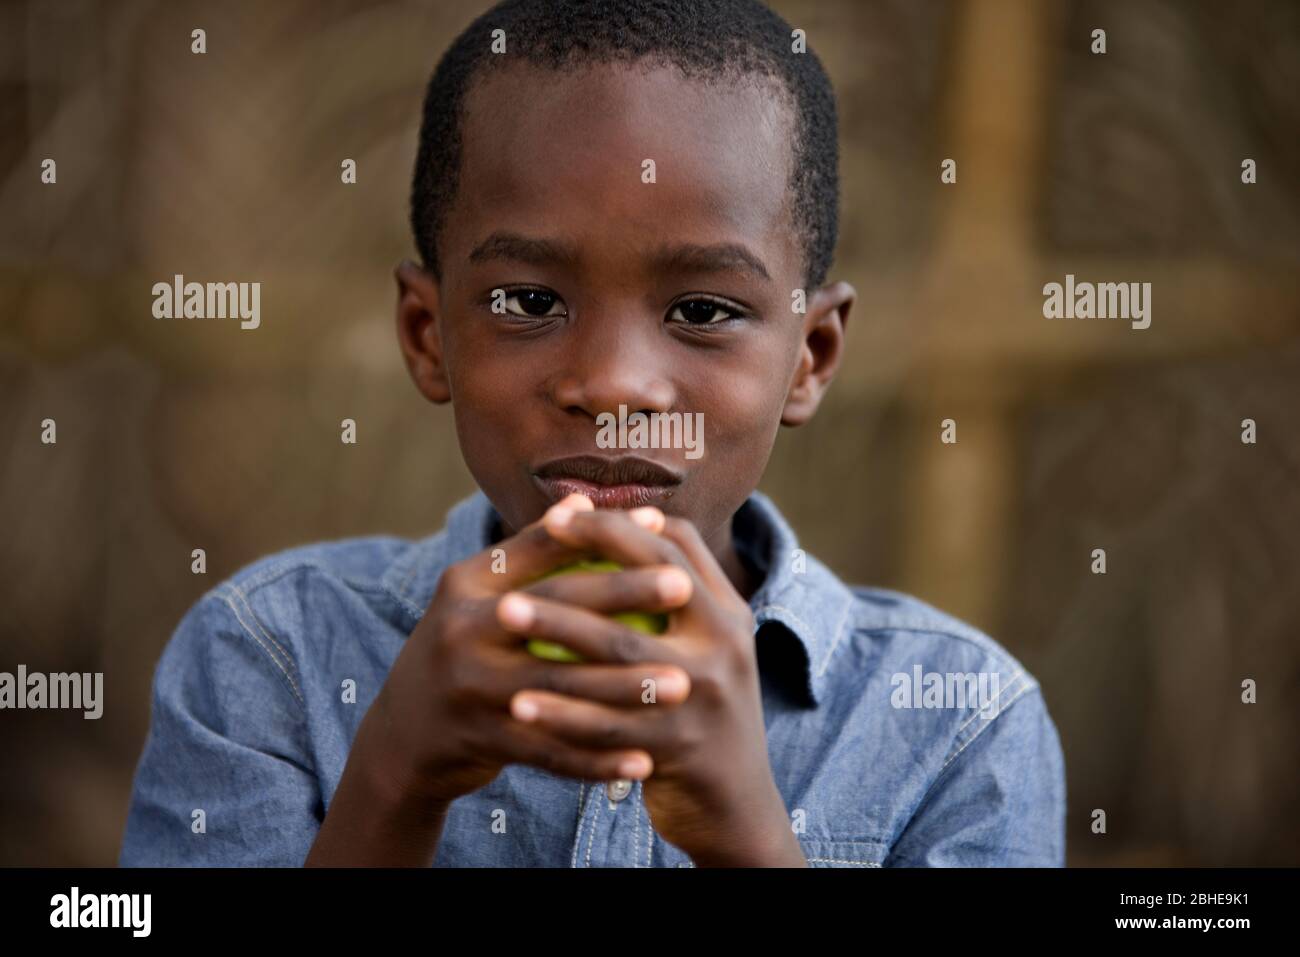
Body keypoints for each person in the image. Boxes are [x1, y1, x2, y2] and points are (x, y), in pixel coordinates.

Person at [119, 0, 1065, 868]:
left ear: (809, 356)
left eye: (702, 307)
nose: (612, 385)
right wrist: (391, 780)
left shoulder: (957, 724)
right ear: (427, 335)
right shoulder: (267, 661)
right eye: (529, 301)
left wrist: (746, 834)